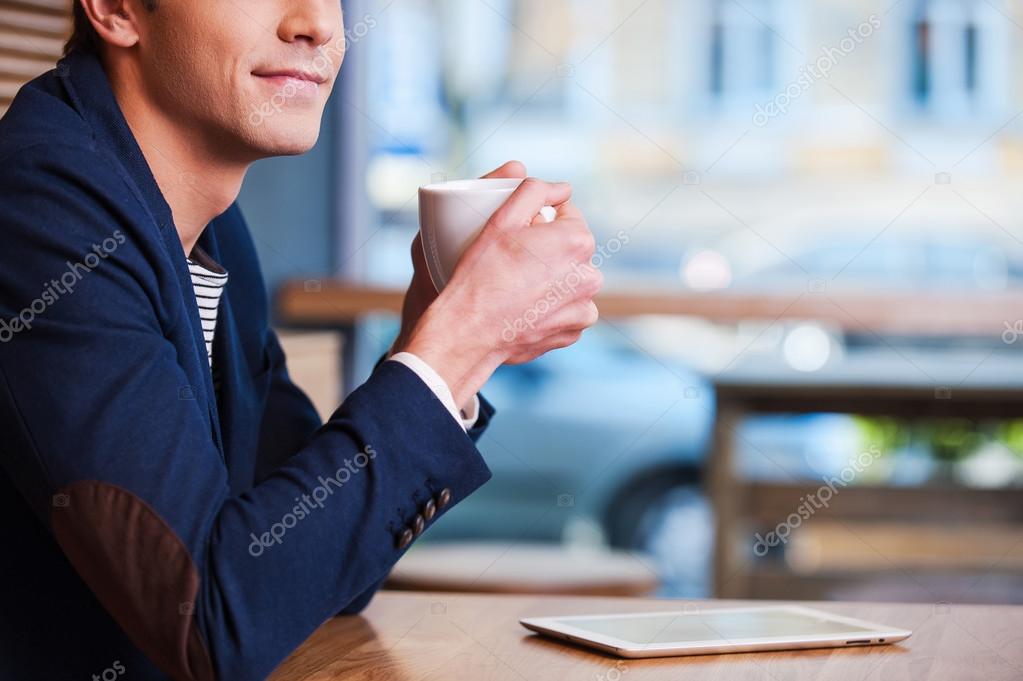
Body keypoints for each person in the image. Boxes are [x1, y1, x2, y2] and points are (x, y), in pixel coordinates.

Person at [0, 1, 602, 679]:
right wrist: (456, 347)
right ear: (116, 10)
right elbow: (209, 619)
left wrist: (436, 335)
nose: (316, 23)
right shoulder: (37, 206)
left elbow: (309, 576)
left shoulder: (212, 231)